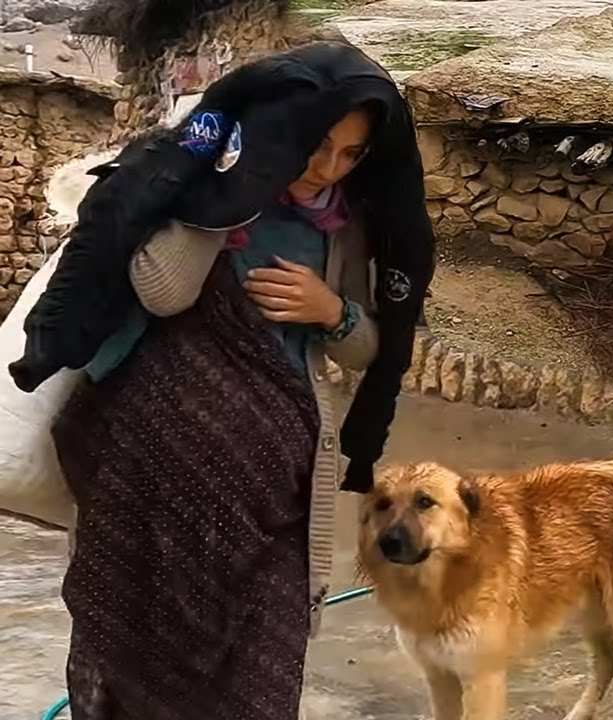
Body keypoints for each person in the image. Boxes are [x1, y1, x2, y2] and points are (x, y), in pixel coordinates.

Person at [16, 42, 434, 719]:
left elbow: (363, 351)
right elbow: (164, 292)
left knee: (261, 673)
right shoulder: (192, 184)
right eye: (315, 145)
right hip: (146, 495)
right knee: (134, 653)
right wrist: (230, 196)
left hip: (275, 505)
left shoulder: (343, 225)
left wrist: (333, 312)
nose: (327, 168)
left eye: (350, 154)